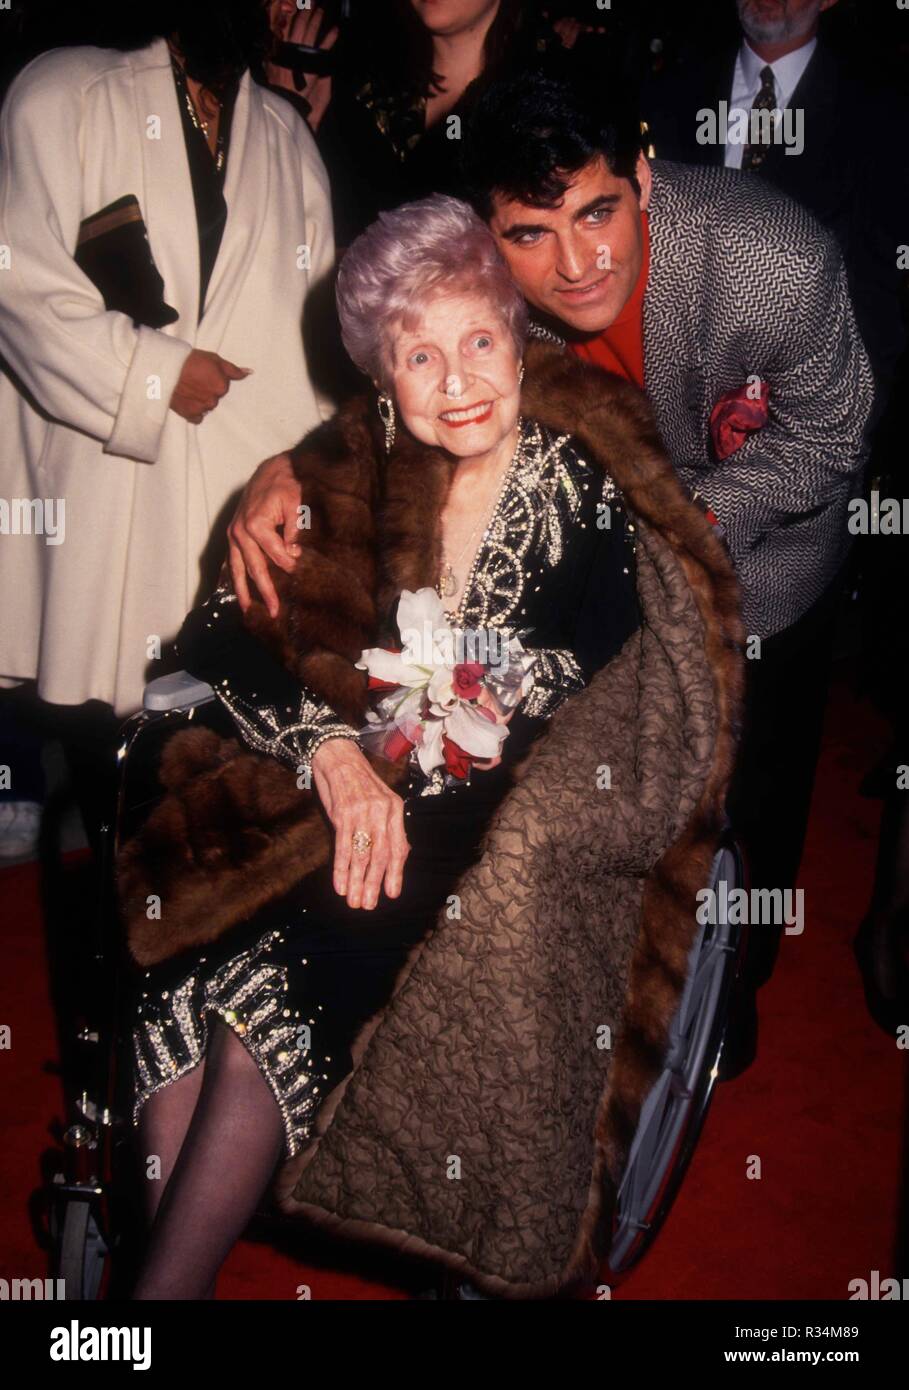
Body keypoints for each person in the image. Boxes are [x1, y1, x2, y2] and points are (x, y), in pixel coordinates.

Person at [117, 195, 743, 1299]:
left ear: (519, 338)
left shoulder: (588, 473)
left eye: (479, 343)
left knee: (267, 978)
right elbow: (223, 632)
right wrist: (330, 749)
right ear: (380, 378)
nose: (458, 383)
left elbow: (629, 660)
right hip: (345, 789)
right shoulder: (353, 464)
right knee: (182, 964)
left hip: (493, 826)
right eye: (421, 355)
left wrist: (454, 703)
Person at [231, 71, 875, 1075]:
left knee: (751, 785)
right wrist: (289, 467)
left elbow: (835, 438)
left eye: (598, 212)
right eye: (531, 233)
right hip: (598, 544)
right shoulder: (491, 282)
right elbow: (415, 375)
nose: (575, 266)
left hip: (764, 553)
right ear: (490, 232)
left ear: (643, 180)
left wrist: (695, 520)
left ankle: (730, 994)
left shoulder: (776, 261)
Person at [0, 0, 335, 852]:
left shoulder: (288, 137)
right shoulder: (61, 93)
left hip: (236, 526)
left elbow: (314, 350)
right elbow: (19, 286)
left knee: (214, 826)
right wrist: (151, 374)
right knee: (111, 799)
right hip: (104, 520)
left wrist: (309, 495)